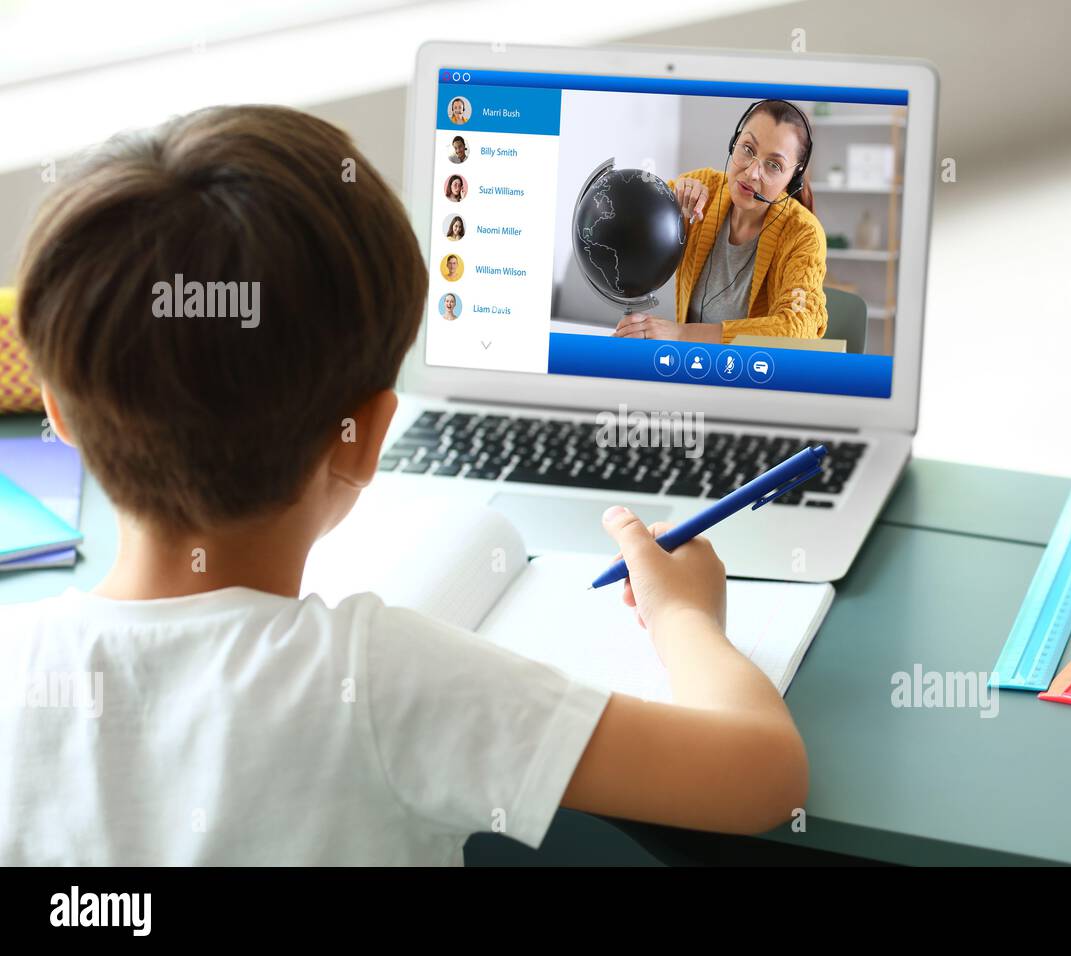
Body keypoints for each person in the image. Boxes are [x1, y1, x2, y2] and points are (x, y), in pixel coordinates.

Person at [0, 105, 807, 865]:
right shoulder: (387, 682)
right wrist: (683, 616)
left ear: (59, 415)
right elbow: (764, 774)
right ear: (365, 439)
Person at [613, 99, 828, 344]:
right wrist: (668, 204)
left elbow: (799, 329)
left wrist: (682, 334)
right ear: (733, 143)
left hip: (756, 373)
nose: (751, 173)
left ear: (793, 179)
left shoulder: (804, 233)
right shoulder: (703, 188)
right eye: (747, 148)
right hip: (691, 365)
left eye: (773, 165)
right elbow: (632, 226)